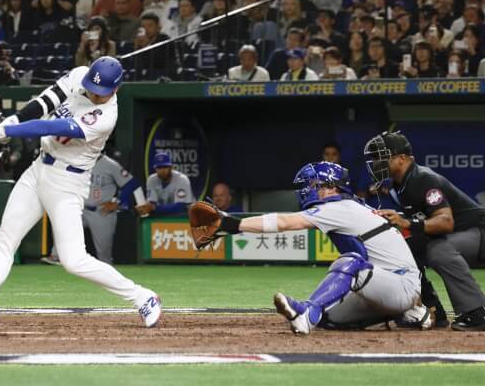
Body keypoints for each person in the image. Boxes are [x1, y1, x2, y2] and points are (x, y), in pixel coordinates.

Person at [0, 57, 162, 329]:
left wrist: (6, 130)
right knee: (4, 240)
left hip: (67, 183)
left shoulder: (106, 117)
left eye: (100, 92)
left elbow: (51, 126)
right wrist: (13, 120)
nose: (94, 94)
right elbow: (44, 103)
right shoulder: (81, 75)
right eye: (92, 88)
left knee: (74, 261)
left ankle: (142, 296)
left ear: (115, 89)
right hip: (39, 169)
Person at [204, 161, 431, 334]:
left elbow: (284, 223)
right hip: (389, 284)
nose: (309, 189)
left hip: (401, 284)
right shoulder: (347, 206)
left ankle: (306, 313)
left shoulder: (340, 207)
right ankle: (408, 312)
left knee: (349, 262)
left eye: (314, 185)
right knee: (330, 319)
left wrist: (230, 224)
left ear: (330, 187)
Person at [365, 131, 485, 331]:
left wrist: (408, 222)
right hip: (461, 235)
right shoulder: (401, 184)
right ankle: (432, 311)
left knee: (437, 251)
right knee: (404, 252)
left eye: (381, 157)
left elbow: (446, 222)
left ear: (401, 159)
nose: (377, 163)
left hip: (478, 232)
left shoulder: (422, 178)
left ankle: (477, 312)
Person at [42, 153, 149, 266]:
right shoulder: (77, 161)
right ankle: (56, 255)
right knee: (62, 219)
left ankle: (107, 274)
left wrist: (117, 202)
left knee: (104, 257)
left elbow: (132, 183)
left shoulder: (110, 165)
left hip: (101, 212)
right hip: (80, 209)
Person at [139, 152, 196, 216]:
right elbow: (152, 203)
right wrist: (144, 208)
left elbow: (180, 207)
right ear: (155, 169)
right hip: (163, 217)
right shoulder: (151, 180)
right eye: (159, 167)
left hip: (185, 218)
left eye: (165, 167)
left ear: (171, 167)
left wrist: (153, 208)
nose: (162, 170)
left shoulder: (182, 179)